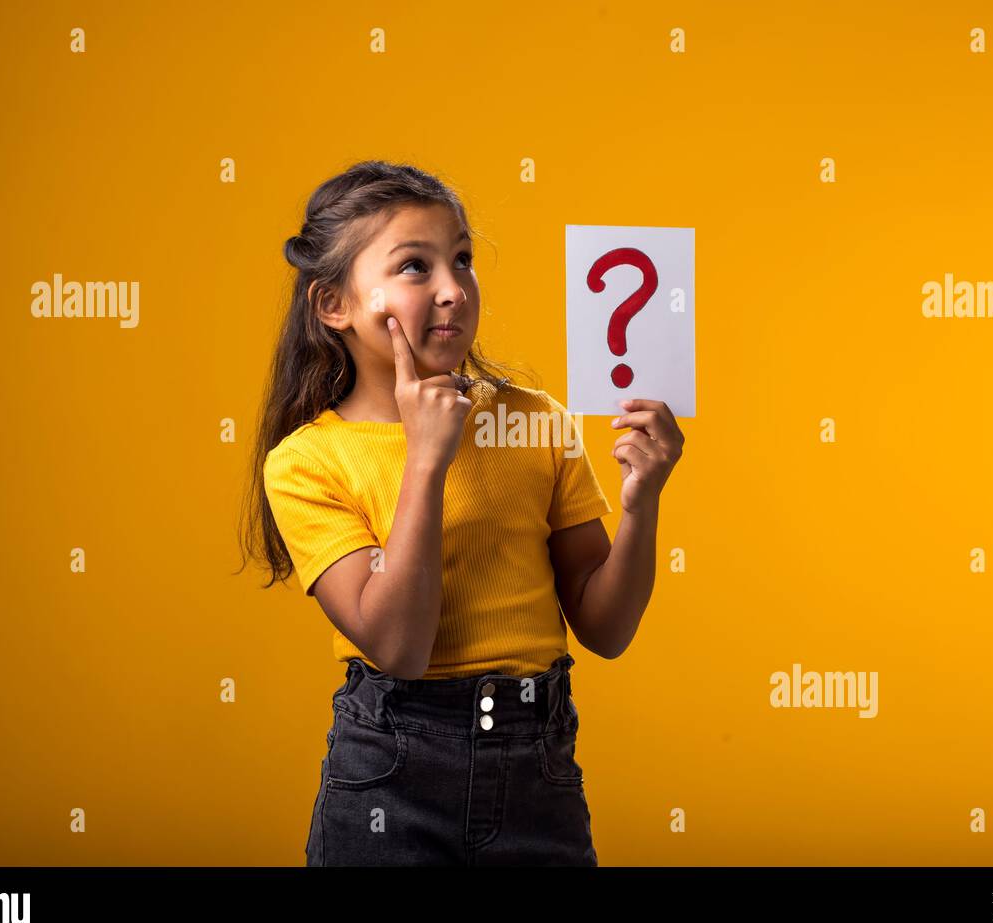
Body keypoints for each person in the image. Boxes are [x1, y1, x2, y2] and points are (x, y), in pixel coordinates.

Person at [238, 160, 684, 865]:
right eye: (415, 267)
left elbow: (606, 628)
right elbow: (399, 648)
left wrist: (643, 504)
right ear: (334, 305)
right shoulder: (305, 462)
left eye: (463, 259)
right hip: (389, 775)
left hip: (537, 771)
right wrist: (425, 460)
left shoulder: (535, 422)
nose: (453, 289)